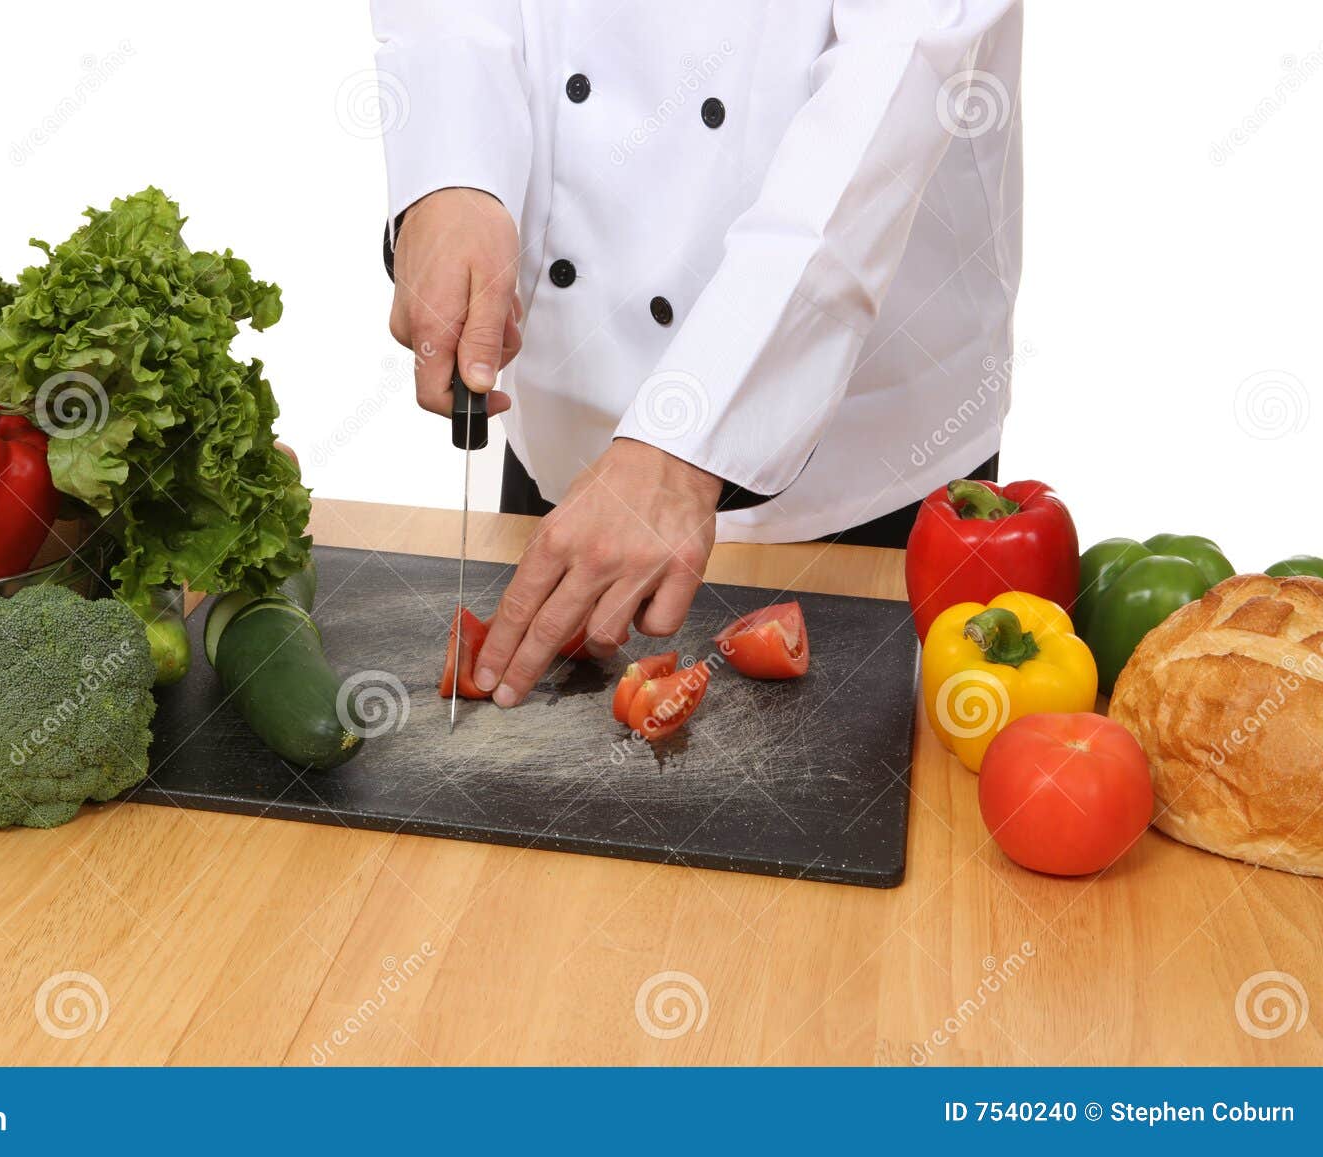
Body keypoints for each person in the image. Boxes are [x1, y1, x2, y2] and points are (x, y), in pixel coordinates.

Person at [374, 1, 1021, 706]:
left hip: (868, 465)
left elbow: (895, 78)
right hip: (568, 415)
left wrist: (692, 433)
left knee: (882, 787)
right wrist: (453, 169)